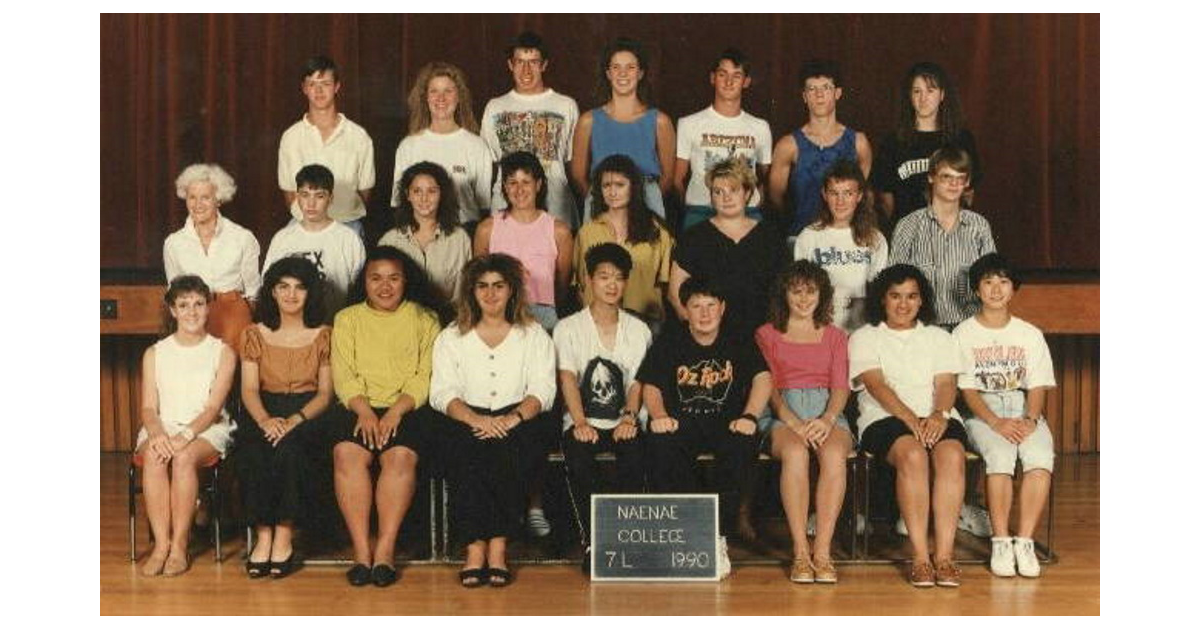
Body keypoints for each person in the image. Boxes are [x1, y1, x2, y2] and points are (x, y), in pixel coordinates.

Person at [429, 254, 557, 588]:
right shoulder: (451, 337)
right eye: (482, 287)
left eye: (498, 286)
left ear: (512, 290)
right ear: (471, 292)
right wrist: (475, 419)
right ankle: (474, 548)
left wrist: (511, 419)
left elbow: (544, 390)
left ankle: (498, 547)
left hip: (519, 417)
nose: (490, 294)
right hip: (464, 416)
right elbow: (441, 392)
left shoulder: (533, 335)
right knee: (467, 453)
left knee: (507, 453)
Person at [329, 246, 444, 587]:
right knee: (347, 454)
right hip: (358, 406)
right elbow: (344, 374)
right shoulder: (347, 319)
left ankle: (385, 551)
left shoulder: (425, 318)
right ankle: (362, 552)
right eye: (375, 278)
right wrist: (364, 411)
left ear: (406, 281)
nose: (385, 286)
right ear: (364, 282)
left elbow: (425, 374)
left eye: (394, 278)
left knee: (399, 457)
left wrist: (395, 412)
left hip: (408, 407)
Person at [849, 264, 967, 588]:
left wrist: (940, 414)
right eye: (896, 296)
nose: (904, 304)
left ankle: (944, 556)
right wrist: (911, 419)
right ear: (882, 300)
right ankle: (920, 557)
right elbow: (876, 385)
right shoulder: (864, 336)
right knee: (913, 455)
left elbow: (946, 383)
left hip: (936, 414)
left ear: (921, 301)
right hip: (883, 417)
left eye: (912, 296)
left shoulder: (939, 337)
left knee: (952, 457)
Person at [637, 277, 773, 533]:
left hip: (727, 423)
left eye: (711, 305)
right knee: (661, 442)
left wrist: (750, 417)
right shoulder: (670, 340)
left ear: (722, 308)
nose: (705, 313)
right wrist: (659, 415)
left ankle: (716, 532)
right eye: (697, 306)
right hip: (682, 423)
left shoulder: (739, 339)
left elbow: (763, 378)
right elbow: (651, 385)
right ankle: (683, 528)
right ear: (685, 310)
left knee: (743, 443)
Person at [954, 253, 1055, 578]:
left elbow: (1038, 384)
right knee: (1000, 455)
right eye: (988, 282)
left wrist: (1030, 420)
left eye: (1003, 281)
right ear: (976, 289)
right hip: (983, 411)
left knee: (1039, 456)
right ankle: (1000, 541)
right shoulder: (963, 333)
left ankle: (1023, 542)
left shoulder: (1029, 334)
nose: (996, 289)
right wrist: (995, 422)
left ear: (1013, 289)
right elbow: (966, 390)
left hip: (1023, 407)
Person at [753, 260, 853, 584]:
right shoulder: (766, 334)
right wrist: (793, 422)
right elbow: (768, 386)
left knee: (834, 455)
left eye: (810, 291)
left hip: (827, 410)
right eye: (796, 291)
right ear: (784, 294)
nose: (803, 298)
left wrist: (827, 418)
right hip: (783, 411)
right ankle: (800, 552)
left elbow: (840, 386)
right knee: (795, 454)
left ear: (821, 294)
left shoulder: (836, 336)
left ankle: (822, 552)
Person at [237, 257, 332, 579]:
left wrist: (294, 420)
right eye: (283, 287)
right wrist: (265, 420)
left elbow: (325, 394)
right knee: (255, 448)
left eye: (299, 288)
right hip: (263, 407)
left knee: (291, 450)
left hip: (308, 412)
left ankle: (284, 534)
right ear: (272, 293)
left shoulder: (324, 335)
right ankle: (263, 536)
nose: (291, 295)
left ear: (310, 293)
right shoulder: (253, 333)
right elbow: (249, 389)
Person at [135, 275, 237, 577]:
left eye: (199, 304)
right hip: (163, 425)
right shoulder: (155, 352)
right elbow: (149, 408)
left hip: (206, 428)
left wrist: (186, 436)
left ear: (208, 308)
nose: (192, 312)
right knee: (155, 454)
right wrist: (158, 434)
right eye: (184, 305)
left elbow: (212, 408)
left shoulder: (223, 352)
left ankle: (180, 546)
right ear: (173, 310)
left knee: (183, 458)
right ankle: (161, 545)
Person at [555, 244, 653, 536]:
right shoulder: (568, 327)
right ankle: (594, 539)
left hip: (625, 419)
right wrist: (580, 423)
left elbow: (637, 381)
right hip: (583, 419)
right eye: (604, 276)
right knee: (580, 460)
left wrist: (629, 418)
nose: (612, 284)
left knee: (636, 459)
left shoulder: (638, 329)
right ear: (589, 279)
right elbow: (567, 378)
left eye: (619, 278)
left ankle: (627, 536)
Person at [670, 158, 788, 341]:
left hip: (763, 336)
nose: (726, 198)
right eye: (718, 192)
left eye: (734, 190)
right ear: (711, 196)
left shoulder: (770, 237)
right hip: (710, 338)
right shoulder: (694, 237)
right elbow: (675, 293)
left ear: (748, 193)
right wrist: (699, 332)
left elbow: (786, 292)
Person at [480, 31, 581, 228]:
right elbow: (489, 166)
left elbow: (573, 165)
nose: (526, 70)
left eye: (533, 62)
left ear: (544, 65)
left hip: (556, 208)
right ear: (510, 65)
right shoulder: (495, 107)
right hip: (506, 209)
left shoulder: (566, 105)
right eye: (520, 62)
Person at [890, 146, 996, 329]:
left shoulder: (979, 226)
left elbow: (992, 281)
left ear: (967, 182)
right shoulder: (908, 226)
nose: (954, 185)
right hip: (923, 330)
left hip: (969, 328)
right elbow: (893, 284)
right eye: (946, 177)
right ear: (931, 177)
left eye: (960, 178)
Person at [571, 37, 675, 222]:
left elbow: (667, 177)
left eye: (630, 67)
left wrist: (646, 199)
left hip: (647, 201)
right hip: (602, 201)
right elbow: (578, 175)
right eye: (616, 67)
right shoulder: (588, 121)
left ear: (641, 73)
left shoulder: (660, 121)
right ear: (608, 73)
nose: (623, 74)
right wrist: (602, 200)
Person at [768, 59, 872, 237]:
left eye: (826, 88)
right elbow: (776, 198)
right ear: (804, 96)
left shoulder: (858, 142)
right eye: (812, 89)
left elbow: (864, 196)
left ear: (837, 93)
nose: (819, 95)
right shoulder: (789, 145)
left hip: (846, 239)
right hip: (800, 236)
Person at [872, 61, 982, 230]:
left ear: (942, 95)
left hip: (951, 235)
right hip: (907, 236)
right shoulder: (893, 142)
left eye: (930, 91)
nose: (923, 98)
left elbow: (968, 193)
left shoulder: (960, 139)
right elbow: (886, 200)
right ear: (910, 96)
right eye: (917, 91)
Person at [163, 163, 261, 351]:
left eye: (205, 197)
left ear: (219, 200)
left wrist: (238, 315)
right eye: (192, 197)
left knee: (233, 377)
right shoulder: (173, 243)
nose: (197, 204)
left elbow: (253, 293)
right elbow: (173, 291)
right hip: (192, 318)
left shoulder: (242, 237)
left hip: (233, 316)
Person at [674, 48, 773, 231]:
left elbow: (768, 178)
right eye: (722, 74)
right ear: (713, 78)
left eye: (736, 76)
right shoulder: (689, 123)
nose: (729, 82)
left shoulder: (760, 127)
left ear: (746, 82)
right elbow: (677, 179)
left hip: (747, 212)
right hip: (701, 211)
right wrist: (691, 209)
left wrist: (755, 203)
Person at [474, 151, 573, 331]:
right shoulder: (487, 229)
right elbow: (478, 280)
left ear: (538, 184)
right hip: (500, 313)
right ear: (504, 186)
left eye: (526, 182)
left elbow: (562, 285)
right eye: (512, 183)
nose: (519, 190)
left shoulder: (559, 231)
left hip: (544, 316)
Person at [277, 55, 375, 238]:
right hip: (303, 226)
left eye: (326, 84)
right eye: (312, 84)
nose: (319, 90)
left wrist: (340, 217)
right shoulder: (291, 137)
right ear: (304, 89)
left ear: (337, 86)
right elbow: (290, 192)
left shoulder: (359, 137)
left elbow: (364, 191)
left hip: (347, 225)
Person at [574, 154, 674, 326]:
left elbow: (668, 285)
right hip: (598, 323)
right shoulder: (587, 232)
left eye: (620, 185)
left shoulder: (657, 230)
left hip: (647, 321)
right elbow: (580, 285)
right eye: (606, 185)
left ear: (633, 187)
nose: (612, 192)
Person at [391, 61, 493, 227]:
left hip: (464, 232)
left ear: (459, 97)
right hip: (419, 235)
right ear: (426, 97)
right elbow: (399, 204)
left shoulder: (477, 146)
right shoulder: (408, 146)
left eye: (448, 91)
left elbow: (484, 206)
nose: (441, 98)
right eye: (434, 91)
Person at [263, 164, 366, 322]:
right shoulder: (283, 238)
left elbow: (360, 291)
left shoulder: (348, 239)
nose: (311, 204)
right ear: (297, 197)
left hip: (335, 327)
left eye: (319, 196)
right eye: (305, 195)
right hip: (293, 329)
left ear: (330, 199)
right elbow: (269, 286)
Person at [794, 159, 888, 333]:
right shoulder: (809, 237)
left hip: (861, 329)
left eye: (848, 193)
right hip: (821, 329)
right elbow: (801, 291)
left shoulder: (875, 239)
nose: (840, 201)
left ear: (859, 196)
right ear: (824, 194)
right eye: (834, 193)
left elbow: (879, 293)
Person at [378, 161, 472, 300]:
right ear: (407, 195)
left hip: (448, 318)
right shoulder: (390, 240)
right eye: (417, 191)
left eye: (431, 191)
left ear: (442, 194)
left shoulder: (459, 239)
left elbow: (464, 294)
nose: (424, 198)